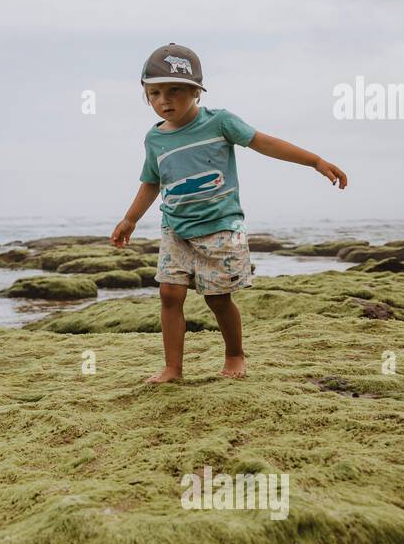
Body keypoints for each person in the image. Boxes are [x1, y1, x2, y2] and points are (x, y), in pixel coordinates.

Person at [111, 43, 348, 382]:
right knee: (169, 293)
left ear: (196, 91)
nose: (164, 100)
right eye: (155, 93)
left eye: (174, 91)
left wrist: (315, 161)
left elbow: (263, 142)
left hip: (221, 227)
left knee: (218, 299)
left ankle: (235, 354)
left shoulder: (219, 122)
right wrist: (130, 218)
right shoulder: (155, 139)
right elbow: (151, 182)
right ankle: (172, 368)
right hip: (175, 229)